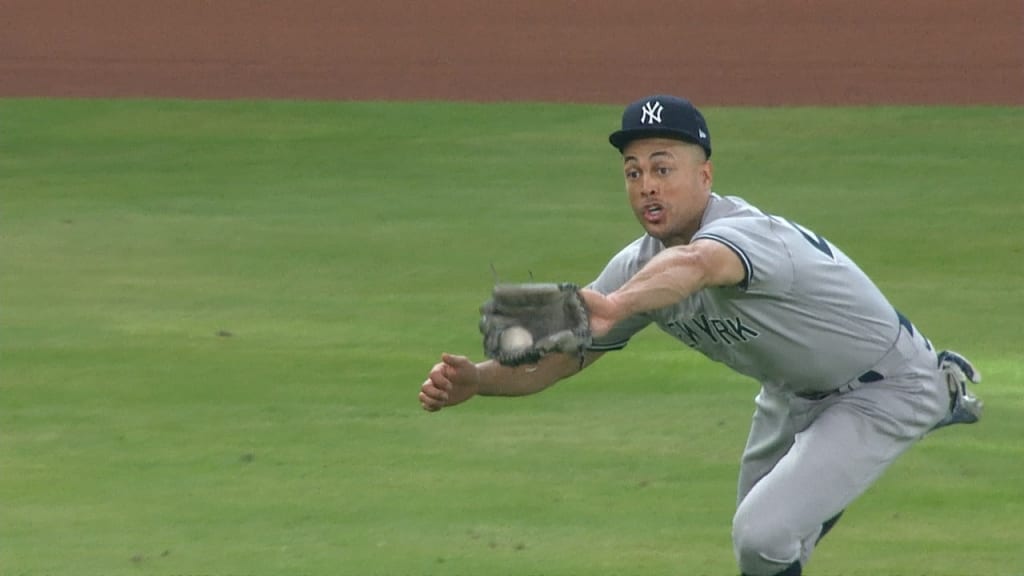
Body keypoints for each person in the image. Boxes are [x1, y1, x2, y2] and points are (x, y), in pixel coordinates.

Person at [417, 95, 983, 576]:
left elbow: (699, 266)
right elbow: (565, 358)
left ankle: (942, 393)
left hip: (883, 387)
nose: (646, 186)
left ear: (704, 175)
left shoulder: (749, 234)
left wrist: (613, 305)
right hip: (789, 394)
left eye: (663, 168)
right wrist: (477, 381)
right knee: (761, 553)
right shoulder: (635, 264)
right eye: (633, 172)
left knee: (763, 532)